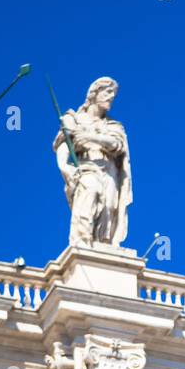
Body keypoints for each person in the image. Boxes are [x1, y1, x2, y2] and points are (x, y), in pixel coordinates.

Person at [54, 77, 132, 248]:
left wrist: (90, 137)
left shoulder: (113, 125)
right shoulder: (74, 118)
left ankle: (102, 249)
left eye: (113, 94)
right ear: (95, 93)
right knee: (90, 191)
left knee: (108, 207)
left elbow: (117, 145)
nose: (111, 97)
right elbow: (63, 146)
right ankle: (81, 245)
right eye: (108, 92)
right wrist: (64, 167)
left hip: (110, 171)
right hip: (86, 167)